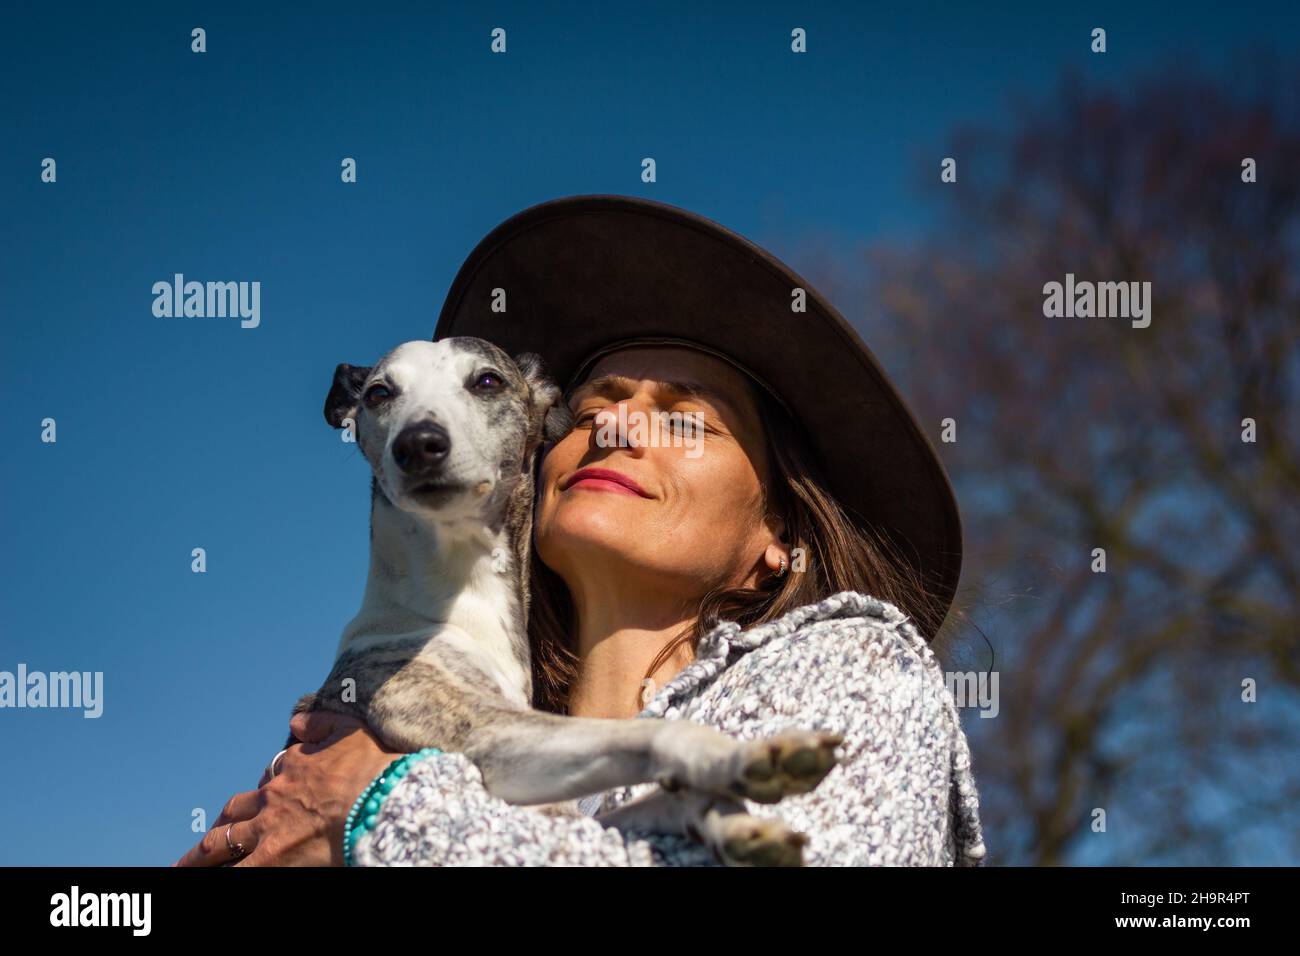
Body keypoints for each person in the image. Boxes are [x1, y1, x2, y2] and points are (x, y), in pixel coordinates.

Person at [175, 195, 988, 867]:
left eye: (681, 422)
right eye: (591, 409)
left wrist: (381, 808)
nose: (616, 428)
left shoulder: (856, 663)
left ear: (777, 534)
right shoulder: (381, 713)